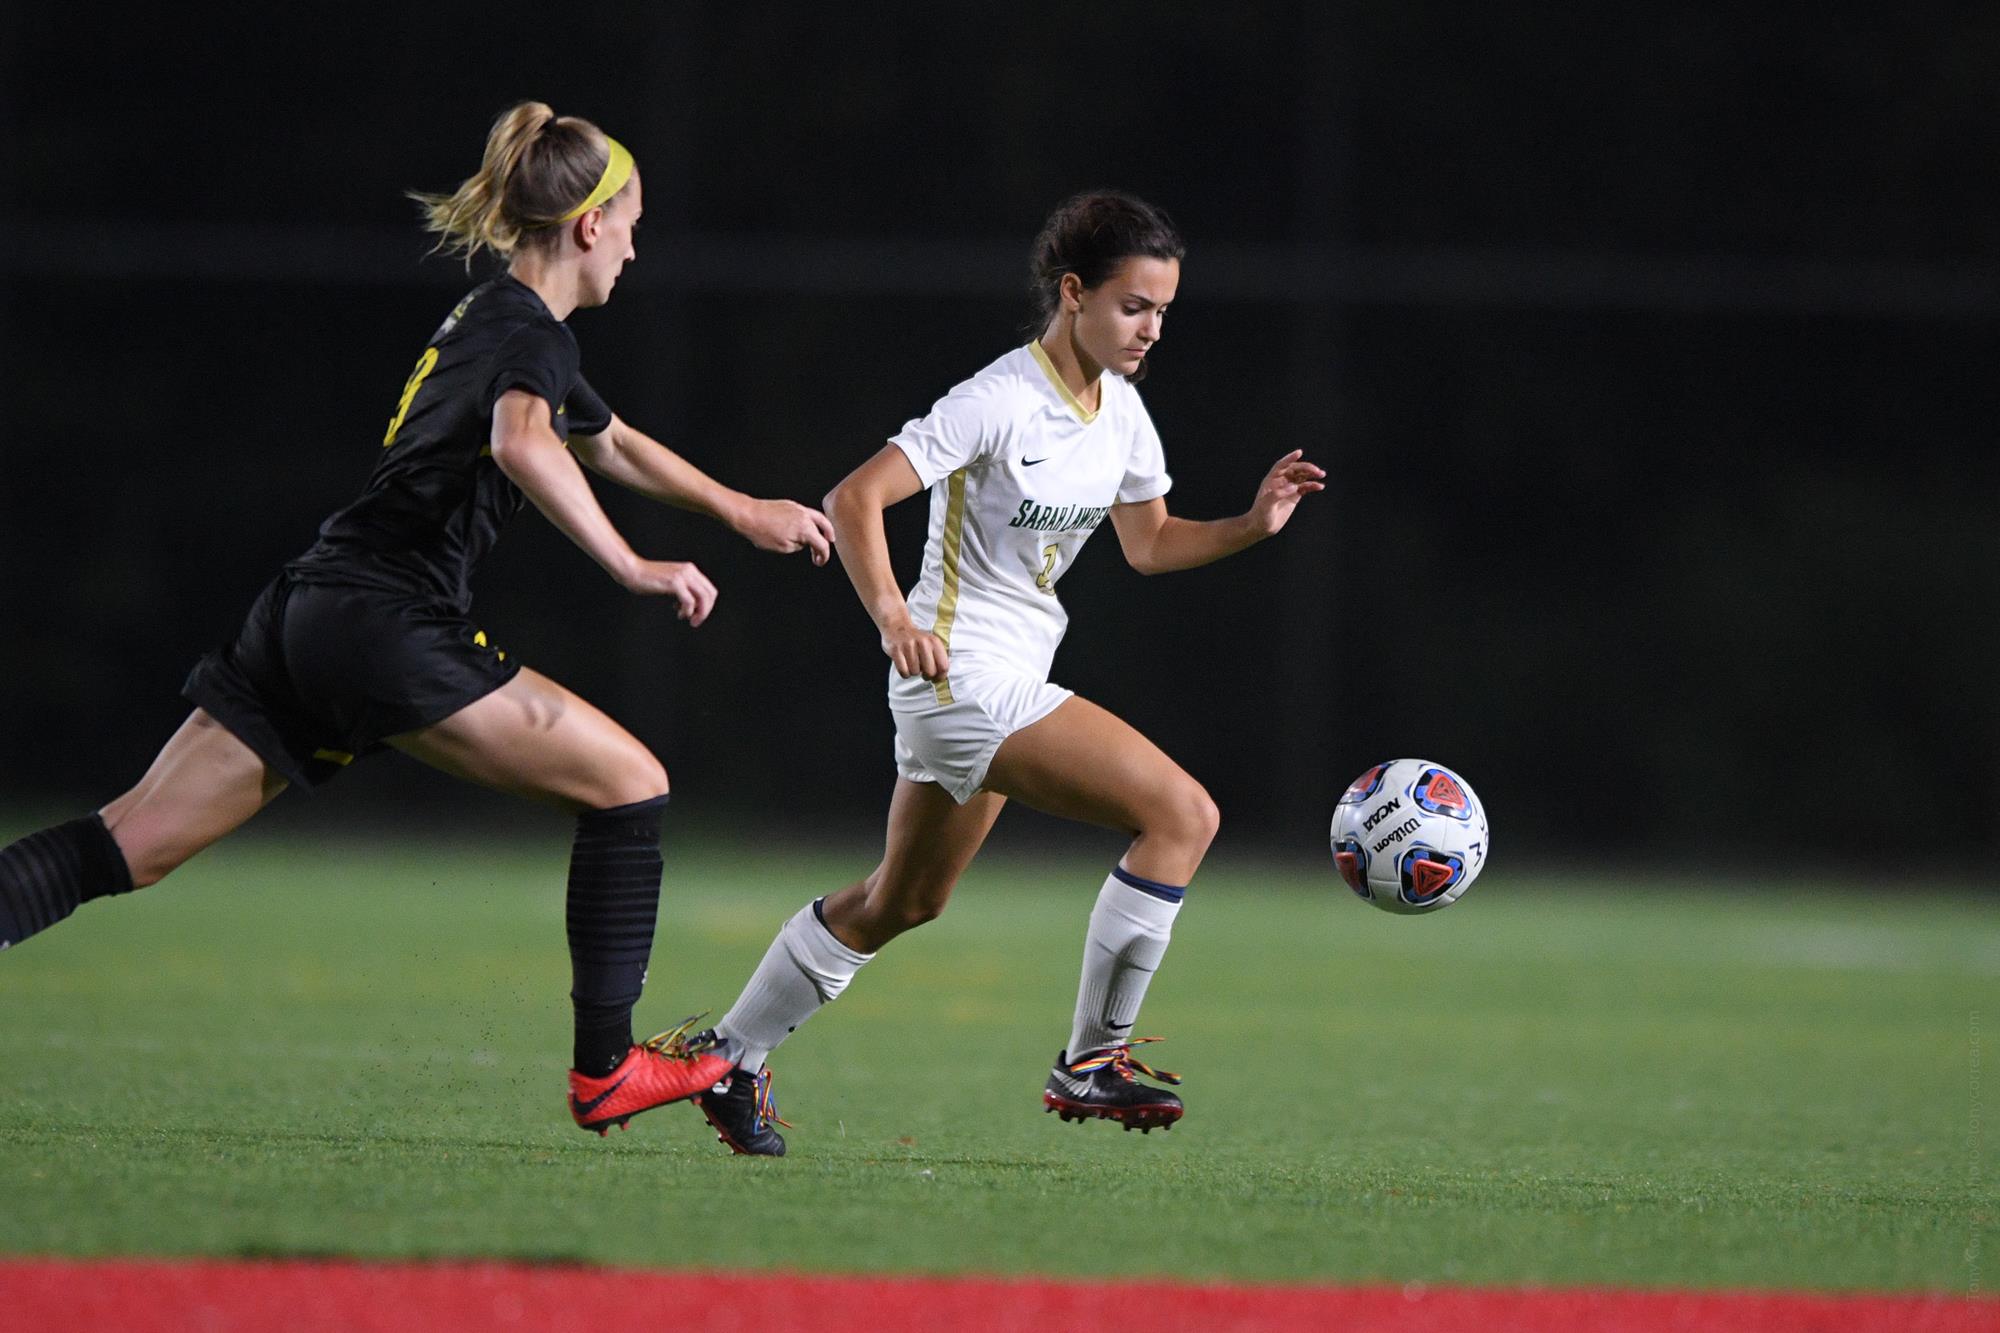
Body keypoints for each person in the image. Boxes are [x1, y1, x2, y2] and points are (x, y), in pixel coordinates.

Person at [0, 101, 836, 1138]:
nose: (634, 242)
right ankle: (604, 1070)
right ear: (586, 226)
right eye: (630, 220)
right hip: (386, 620)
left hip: (309, 608)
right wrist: (632, 564)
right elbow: (528, 443)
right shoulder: (527, 332)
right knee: (632, 785)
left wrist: (738, 509)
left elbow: (606, 440)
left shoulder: (504, 321)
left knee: (128, 844)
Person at [683, 190, 1324, 1155]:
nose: (1152, 329)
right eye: (1133, 306)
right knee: (1184, 813)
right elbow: (855, 497)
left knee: (903, 900)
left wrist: (1249, 523)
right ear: (1073, 293)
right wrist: (893, 615)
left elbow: (1148, 546)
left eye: (1163, 311)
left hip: (1002, 678)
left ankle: (729, 1055)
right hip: (962, 678)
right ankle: (1091, 1059)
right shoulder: (998, 399)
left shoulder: (1124, 415)